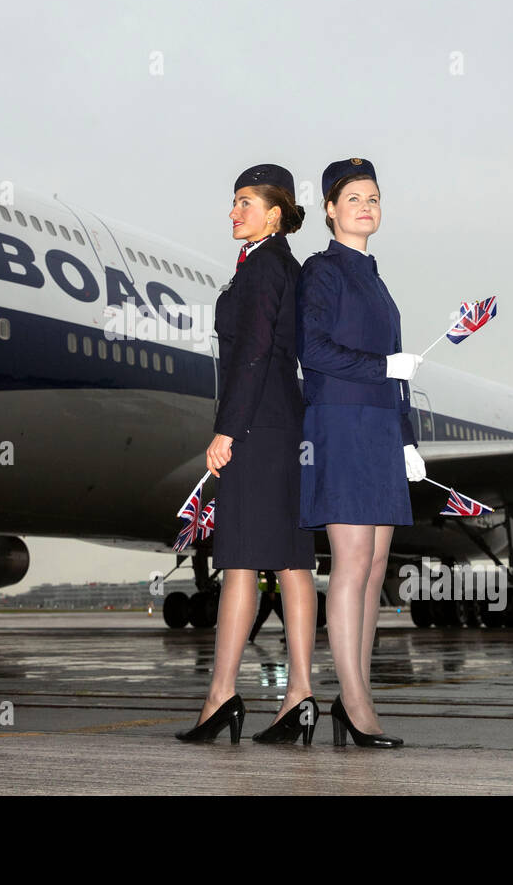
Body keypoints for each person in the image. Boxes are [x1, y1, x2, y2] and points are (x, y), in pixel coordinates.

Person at [175, 163, 318, 745]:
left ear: (274, 213)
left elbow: (253, 354)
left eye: (244, 202)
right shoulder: (282, 265)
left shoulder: (262, 269)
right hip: (287, 427)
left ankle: (221, 697)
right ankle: (300, 696)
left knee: (238, 561)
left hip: (257, 429)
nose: (233, 212)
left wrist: (226, 431)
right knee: (290, 561)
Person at [295, 157, 427, 748]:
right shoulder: (321, 272)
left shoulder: (377, 279)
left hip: (378, 428)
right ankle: (354, 702)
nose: (366, 206)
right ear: (329, 209)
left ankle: (359, 691)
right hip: (341, 424)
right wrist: (382, 366)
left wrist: (407, 443)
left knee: (375, 569)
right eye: (353, 198)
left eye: (373, 197)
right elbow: (313, 350)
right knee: (350, 566)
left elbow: (399, 380)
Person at [247, 570, 284, 643]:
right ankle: (251, 637)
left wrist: (271, 592)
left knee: (261, 617)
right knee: (283, 617)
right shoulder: (266, 566)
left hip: (270, 594)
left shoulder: (267, 566)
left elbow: (271, 578)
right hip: (274, 593)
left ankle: (251, 637)